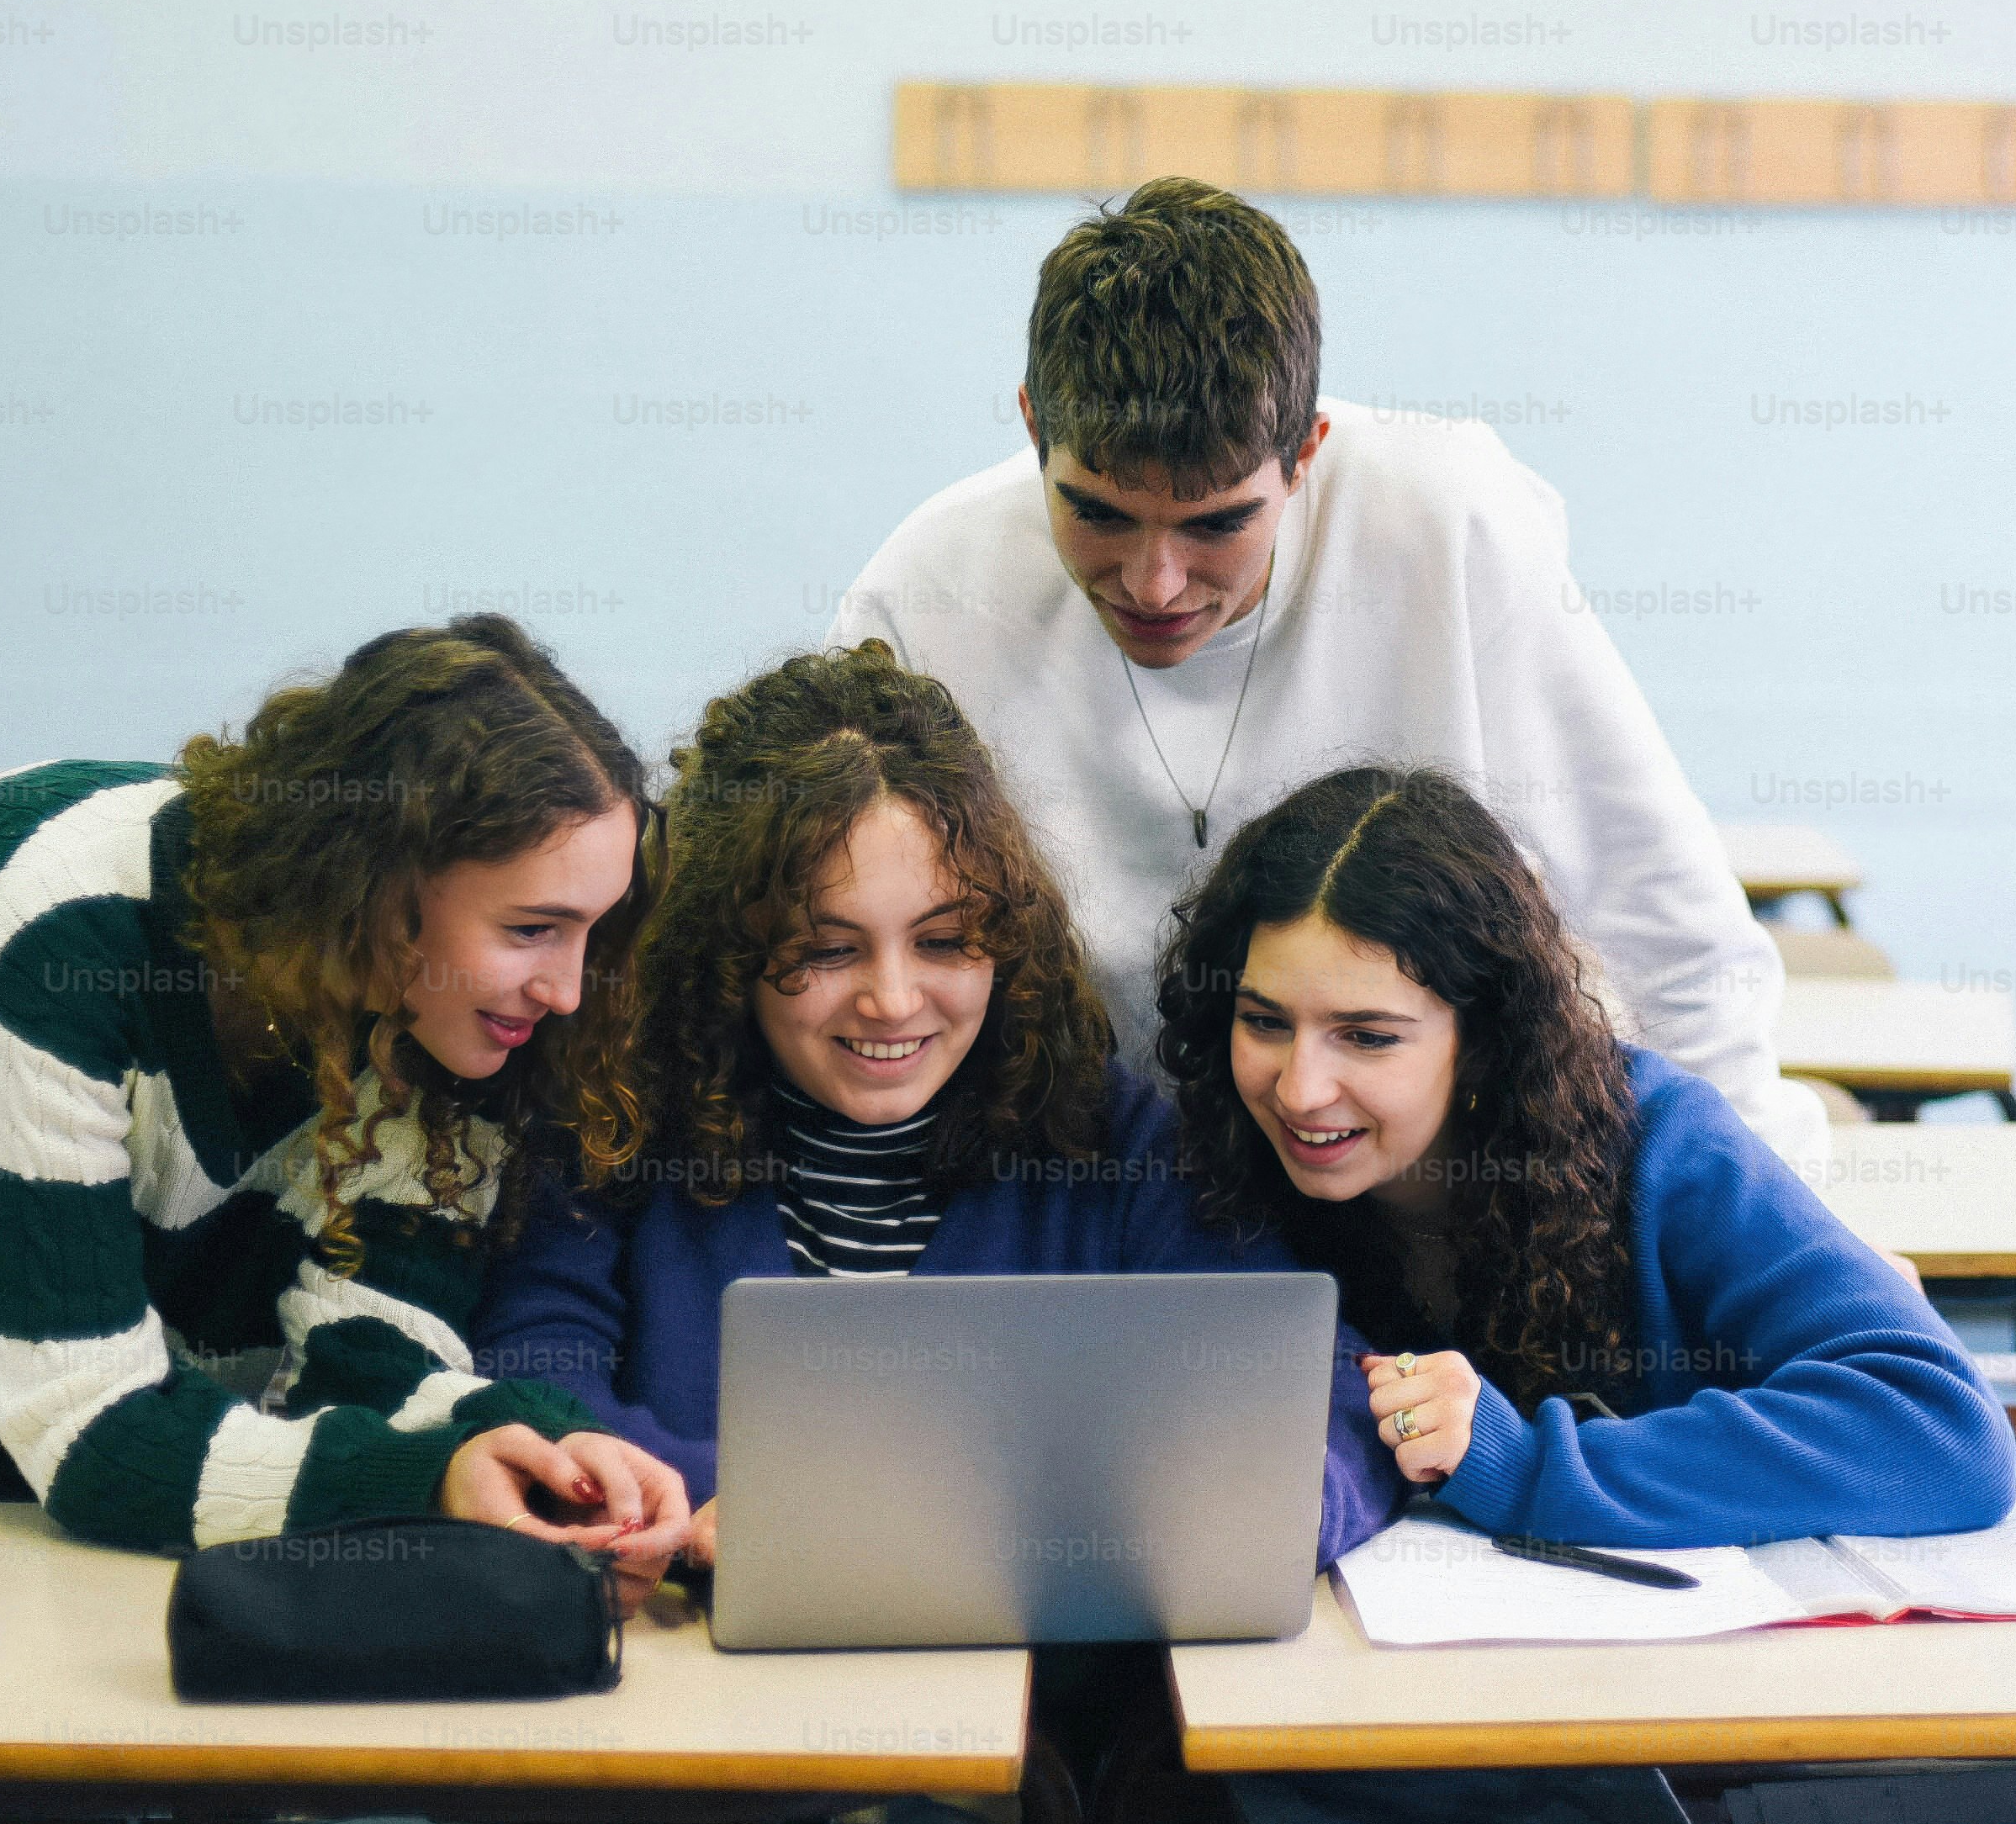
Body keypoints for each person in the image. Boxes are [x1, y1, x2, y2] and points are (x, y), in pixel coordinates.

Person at [0, 616, 695, 1608]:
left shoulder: (459, 1022)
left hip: (44, 1430)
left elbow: (367, 1355)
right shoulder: (57, 923)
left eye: (592, 931)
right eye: (534, 930)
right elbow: (90, 1431)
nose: (569, 991)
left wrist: (543, 1449)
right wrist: (424, 1480)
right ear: (378, 884)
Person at [824, 177, 1824, 1166]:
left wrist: (1770, 1221)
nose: (1156, 581)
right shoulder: (924, 594)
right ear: (1034, 425)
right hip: (1112, 1191)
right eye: (1099, 514)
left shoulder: (1448, 528)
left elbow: (1666, 925)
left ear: (1306, 452)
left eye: (1218, 523)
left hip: (1437, 1186)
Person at [472, 642, 1399, 1569]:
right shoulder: (617, 1123)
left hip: (1038, 1690)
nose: (892, 999)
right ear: (728, 950)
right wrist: (700, 1503)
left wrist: (1264, 1507)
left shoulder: (1113, 1145)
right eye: (828, 949)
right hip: (687, 1681)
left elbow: (1323, 1387)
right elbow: (533, 1368)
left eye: (945, 940)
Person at [1155, 765, 2014, 1550]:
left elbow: (1943, 1434)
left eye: (1368, 1037)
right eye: (1265, 1020)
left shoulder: (1662, 1141)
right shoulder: (1219, 1170)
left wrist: (1527, 1465)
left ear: (1485, 1038)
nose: (1301, 1089)